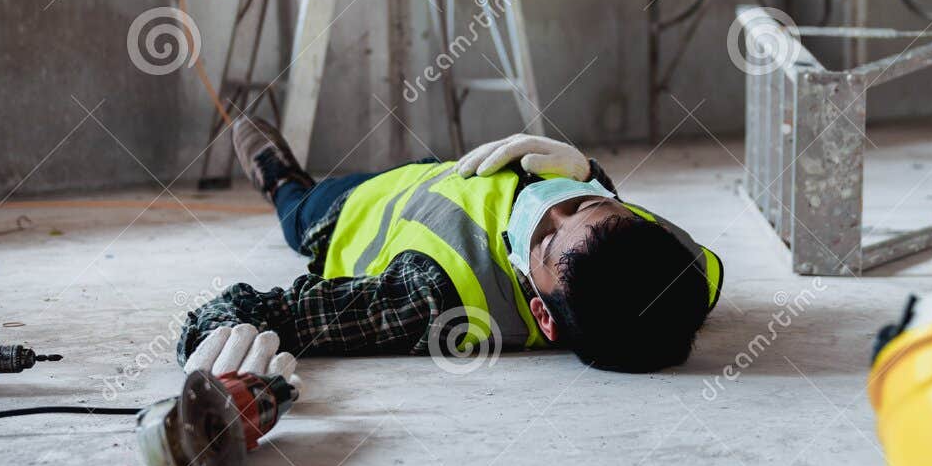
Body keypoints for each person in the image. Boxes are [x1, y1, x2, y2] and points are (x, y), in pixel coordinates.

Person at [176, 117, 722, 374]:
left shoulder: (437, 302)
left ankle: (271, 164)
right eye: (585, 204)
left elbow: (281, 313)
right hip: (451, 169)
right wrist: (590, 174)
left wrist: (214, 336)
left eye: (546, 240)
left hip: (364, 209)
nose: (550, 205)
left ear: (542, 316)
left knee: (298, 213)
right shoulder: (680, 264)